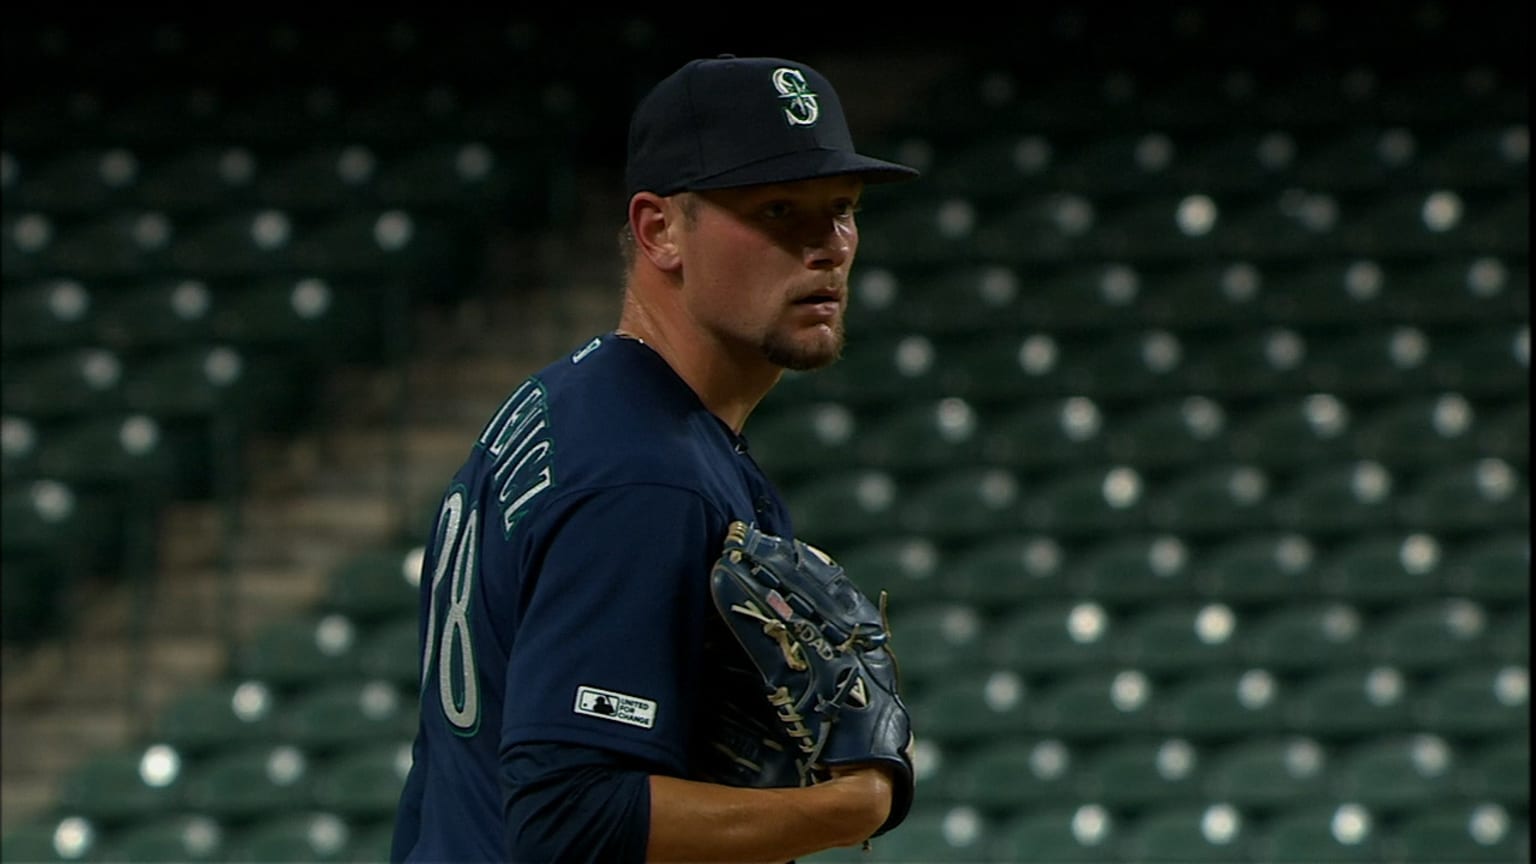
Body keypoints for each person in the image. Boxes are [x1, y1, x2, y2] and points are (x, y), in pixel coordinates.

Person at [390, 54, 919, 864]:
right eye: (779, 210)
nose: (828, 247)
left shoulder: (575, 400)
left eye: (841, 209)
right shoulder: (647, 475)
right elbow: (569, 818)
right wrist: (851, 806)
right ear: (659, 229)